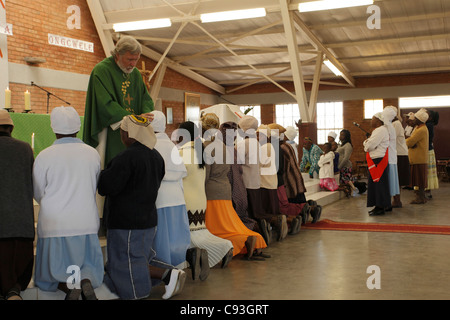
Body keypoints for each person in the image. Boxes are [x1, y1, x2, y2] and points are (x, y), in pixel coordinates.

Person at [98, 115, 186, 300]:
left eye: (123, 131)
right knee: (140, 257)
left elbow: (106, 187)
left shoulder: (126, 157)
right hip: (148, 219)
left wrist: (103, 174)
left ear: (130, 134)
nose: (121, 135)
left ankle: (137, 294)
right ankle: (168, 273)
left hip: (127, 221)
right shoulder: (155, 156)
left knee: (128, 261)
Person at [33, 106, 104, 300]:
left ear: (53, 128)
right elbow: (95, 184)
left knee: (54, 270)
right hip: (86, 220)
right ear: (78, 127)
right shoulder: (92, 154)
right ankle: (85, 280)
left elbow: (38, 191)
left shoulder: (44, 156)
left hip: (55, 223)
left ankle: (67, 286)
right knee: (85, 264)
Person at [202, 113, 268, 260]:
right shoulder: (232, 149)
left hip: (217, 192)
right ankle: (253, 235)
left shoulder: (208, 147)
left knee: (217, 228)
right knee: (232, 223)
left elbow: (208, 173)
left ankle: (240, 240)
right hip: (238, 189)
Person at [83, 35, 155, 167]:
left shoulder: (135, 74)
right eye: (129, 59)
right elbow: (104, 104)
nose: (133, 64)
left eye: (136, 60)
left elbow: (145, 99)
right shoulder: (101, 71)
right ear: (117, 55)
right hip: (111, 131)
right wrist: (133, 119)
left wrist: (145, 116)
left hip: (135, 134)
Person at [178, 121, 234, 271]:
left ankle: (222, 247)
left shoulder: (182, 152)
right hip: (200, 198)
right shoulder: (199, 151)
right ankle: (220, 247)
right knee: (200, 233)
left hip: (188, 199)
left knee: (192, 235)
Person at [150, 111, 193, 275]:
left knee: (161, 240)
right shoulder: (171, 146)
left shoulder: (151, 145)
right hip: (177, 197)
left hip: (160, 198)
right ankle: (185, 261)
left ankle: (166, 272)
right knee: (176, 237)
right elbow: (181, 173)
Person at [0, 110, 35, 300]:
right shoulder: (24, 149)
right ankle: (14, 290)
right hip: (22, 223)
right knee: (19, 268)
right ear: (11, 128)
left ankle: (10, 291)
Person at [236, 115, 273, 244]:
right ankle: (263, 226)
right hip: (256, 183)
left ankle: (258, 235)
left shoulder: (242, 144)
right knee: (256, 211)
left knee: (249, 215)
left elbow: (237, 163)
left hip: (246, 183)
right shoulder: (257, 143)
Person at [268, 123, 314, 225]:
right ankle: (308, 210)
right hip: (295, 177)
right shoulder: (288, 145)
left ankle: (302, 214)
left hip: (289, 180)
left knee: (292, 203)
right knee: (298, 200)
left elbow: (282, 167)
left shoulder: (281, 147)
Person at [219, 121, 258, 231]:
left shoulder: (224, 150)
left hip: (233, 190)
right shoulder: (235, 149)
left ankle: (251, 230)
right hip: (242, 188)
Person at [257, 125, 288, 241]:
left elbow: (259, 165)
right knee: (271, 208)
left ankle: (276, 222)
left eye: (259, 135)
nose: (257, 137)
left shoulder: (265, 148)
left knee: (267, 211)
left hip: (265, 183)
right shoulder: (270, 146)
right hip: (270, 182)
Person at [363, 113, 390, 216]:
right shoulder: (379, 130)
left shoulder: (380, 130)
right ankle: (379, 205)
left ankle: (380, 206)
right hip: (377, 159)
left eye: (372, 119)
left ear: (378, 121)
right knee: (378, 184)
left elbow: (369, 146)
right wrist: (367, 143)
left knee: (379, 184)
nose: (371, 121)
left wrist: (365, 143)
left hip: (378, 161)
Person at [406, 108, 429, 204]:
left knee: (419, 180)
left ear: (419, 120)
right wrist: (410, 142)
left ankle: (420, 198)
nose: (413, 120)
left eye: (415, 118)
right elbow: (411, 141)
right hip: (416, 158)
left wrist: (409, 142)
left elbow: (410, 141)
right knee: (418, 179)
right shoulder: (418, 128)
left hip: (419, 159)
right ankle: (421, 197)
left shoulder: (421, 130)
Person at [382, 106, 400, 211]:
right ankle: (387, 203)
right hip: (391, 158)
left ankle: (387, 203)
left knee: (387, 182)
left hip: (388, 158)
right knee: (389, 182)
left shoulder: (387, 127)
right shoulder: (390, 126)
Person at [392, 107, 410, 207]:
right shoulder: (394, 124)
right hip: (397, 154)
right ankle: (396, 200)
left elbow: (391, 138)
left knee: (397, 179)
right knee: (396, 179)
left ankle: (397, 201)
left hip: (399, 154)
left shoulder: (396, 124)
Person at [336, 129, 357, 195]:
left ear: (346, 136)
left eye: (342, 135)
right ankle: (349, 191)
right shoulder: (340, 145)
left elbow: (346, 158)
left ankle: (352, 189)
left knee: (346, 180)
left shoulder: (348, 145)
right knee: (343, 181)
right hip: (340, 165)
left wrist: (339, 167)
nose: (340, 136)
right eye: (340, 135)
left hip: (345, 166)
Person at [425, 109, 439, 200]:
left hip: (427, 150)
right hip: (429, 150)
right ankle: (427, 191)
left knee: (427, 172)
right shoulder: (429, 125)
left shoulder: (428, 125)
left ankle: (427, 191)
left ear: (429, 117)